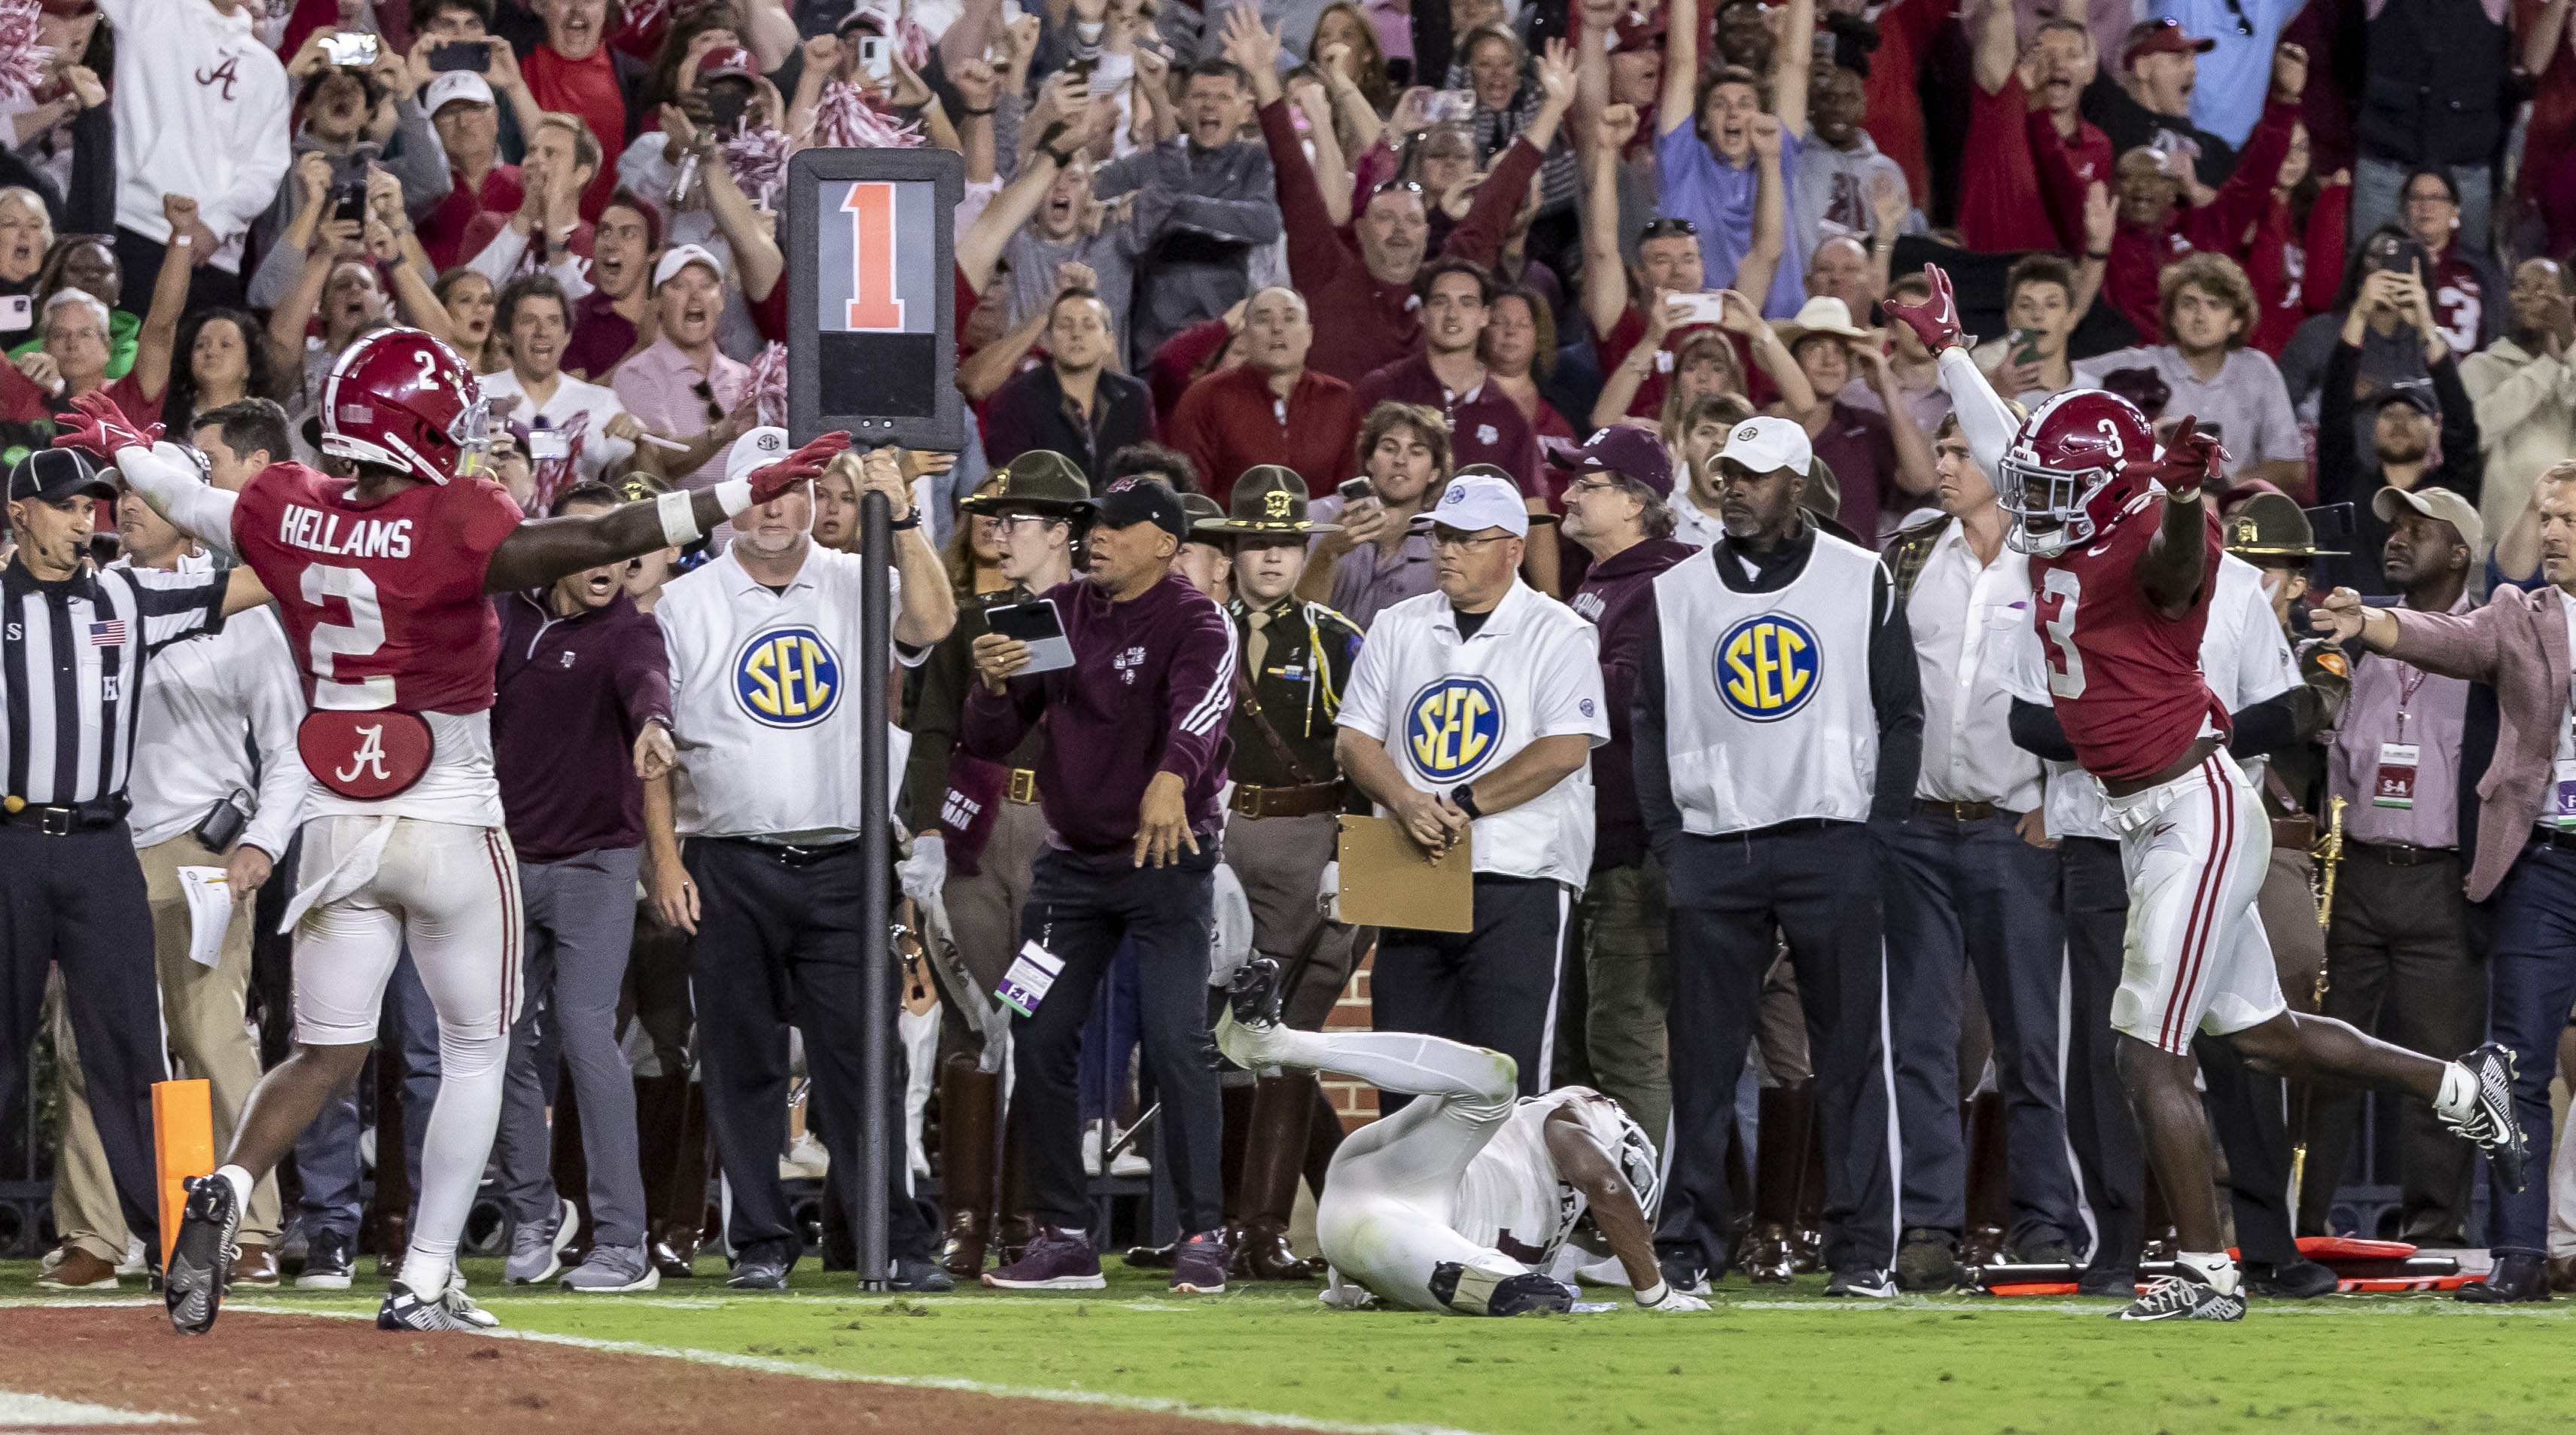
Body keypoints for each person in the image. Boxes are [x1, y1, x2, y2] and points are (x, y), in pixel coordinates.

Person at [109, 328, 860, 1335]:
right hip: (452, 814)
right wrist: (736, 488)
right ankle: (425, 1274)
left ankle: (233, 1185)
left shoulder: (284, 506)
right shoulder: (459, 517)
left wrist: (125, 448)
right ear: (416, 431)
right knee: (476, 1048)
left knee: (323, 1050)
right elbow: (599, 539)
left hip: (339, 821)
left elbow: (186, 498)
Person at [1895, 262, 2523, 1321]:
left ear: (2109, 493)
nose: (2029, 500)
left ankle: (2203, 1272)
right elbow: (2021, 447)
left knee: (2146, 1049)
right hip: (2146, 815)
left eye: (2053, 489)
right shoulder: (2079, 500)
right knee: (2264, 1035)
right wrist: (1952, 349)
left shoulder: (2154, 534)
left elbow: (2177, 565)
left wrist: (2185, 499)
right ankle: (2463, 1087)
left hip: (2191, 806)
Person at [641, 434, 955, 1296]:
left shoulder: (857, 577)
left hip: (844, 858)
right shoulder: (682, 602)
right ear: (729, 499)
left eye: (795, 489)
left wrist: (909, 515)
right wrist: (665, 859)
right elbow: (653, 752)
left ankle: (892, 1236)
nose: (776, 505)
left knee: (863, 1059)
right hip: (728, 859)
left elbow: (931, 623)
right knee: (740, 1059)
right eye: (760, 489)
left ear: (819, 497)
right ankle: (759, 1241)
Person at [1629, 414, 1911, 1299]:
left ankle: (1862, 1249)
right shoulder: (1675, 592)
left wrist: (1876, 838)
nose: (1733, 488)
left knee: (1849, 1055)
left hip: (1831, 842)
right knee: (1702, 1062)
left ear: (1798, 483)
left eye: (1753, 475)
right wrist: (1669, 840)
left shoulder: (1858, 575)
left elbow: (1902, 716)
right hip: (1713, 850)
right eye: (1725, 474)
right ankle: (1687, 1246)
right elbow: (1646, 721)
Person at [0, 444, 271, 1308]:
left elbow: (252, 584)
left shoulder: (126, 593)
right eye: (69, 505)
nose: (88, 519)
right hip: (8, 842)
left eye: (94, 506)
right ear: (21, 513)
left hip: (101, 846)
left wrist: (306, 532)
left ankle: (175, 1242)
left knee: (134, 1048)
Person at [962, 475, 1238, 1295]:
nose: (1097, 537)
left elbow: (1203, 707)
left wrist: (1171, 779)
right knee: (1032, 1028)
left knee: (1176, 1039)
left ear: (1164, 540)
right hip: (1069, 867)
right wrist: (991, 682)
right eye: (1091, 525)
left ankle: (1201, 1229)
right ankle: (1065, 1235)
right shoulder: (1056, 614)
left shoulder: (1198, 618)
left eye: (1117, 526)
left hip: (1165, 860)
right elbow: (992, 737)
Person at [2307, 462, 2576, 1302]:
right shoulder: (2519, 615)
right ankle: (2518, 1256)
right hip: (2542, 861)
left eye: (2567, 518)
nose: (2552, 533)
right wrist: (2375, 623)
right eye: (2545, 518)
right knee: (2514, 1068)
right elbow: (2452, 642)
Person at [1873, 410, 2084, 1288]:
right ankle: (1927, 1223)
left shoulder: (2056, 566)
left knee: (2031, 1039)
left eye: (1961, 452)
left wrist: (2051, 800)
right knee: (1920, 1040)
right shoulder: (1910, 557)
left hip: (2012, 826)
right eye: (1943, 448)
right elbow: (1876, 690)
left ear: (2007, 463)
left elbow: (2082, 689)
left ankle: (2045, 1218)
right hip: (1919, 828)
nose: (1942, 462)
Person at [1213, 955, 1704, 1316]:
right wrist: (1656, 1292)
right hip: (1411, 1175)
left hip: (1388, 1233)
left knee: (1528, 1293)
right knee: (1496, 1083)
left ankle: (1427, 1281)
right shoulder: (1573, 1114)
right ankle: (1277, 1043)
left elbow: (1597, 1231)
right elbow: (1609, 1186)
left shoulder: (1566, 1237)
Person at [1335, 470, 1604, 1100]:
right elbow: (1353, 740)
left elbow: (1564, 749)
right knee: (1402, 1083)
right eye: (1441, 537)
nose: (1447, 551)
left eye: (1467, 539)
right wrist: (1404, 801)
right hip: (1410, 868)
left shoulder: (1559, 630)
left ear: (1513, 548)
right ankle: (1408, 1203)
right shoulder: (1397, 623)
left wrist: (1462, 803)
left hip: (1519, 874)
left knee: (1504, 1088)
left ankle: (1508, 1204)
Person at [896, 451, 1090, 1279]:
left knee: (1037, 1021)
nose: (997, 531)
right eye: (995, 518)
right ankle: (967, 1221)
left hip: (1064, 836)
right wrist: (924, 832)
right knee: (978, 1021)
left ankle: (1027, 1219)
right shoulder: (975, 621)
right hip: (978, 839)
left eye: (1014, 519)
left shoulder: (1105, 623)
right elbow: (934, 726)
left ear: (1061, 531)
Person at [488, 480, 674, 1293]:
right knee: (494, 1040)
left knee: (585, 1033)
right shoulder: (503, 619)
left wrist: (656, 725)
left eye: (622, 549)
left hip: (598, 860)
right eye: (592, 544)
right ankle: (533, 1211)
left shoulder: (630, 630)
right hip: (504, 860)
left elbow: (647, 683)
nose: (609, 563)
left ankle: (623, 1244)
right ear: (556, 547)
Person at [1195, 465, 1367, 1280]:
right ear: (1232, 548)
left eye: (1286, 542)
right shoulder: (1200, 629)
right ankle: (1227, 1223)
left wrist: (1350, 854)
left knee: (1287, 1035)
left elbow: (1365, 753)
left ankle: (1263, 1228)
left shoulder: (1337, 638)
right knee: (1221, 1034)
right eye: (1257, 541)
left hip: (1306, 833)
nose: (1271, 557)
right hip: (1221, 832)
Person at [2304, 485, 2486, 1246]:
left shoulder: (2492, 640)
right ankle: (2297, 1224)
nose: (2398, 538)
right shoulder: (2356, 642)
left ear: (2459, 550)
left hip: (2445, 880)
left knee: (2439, 1068)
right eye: (2392, 528)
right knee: (2322, 1057)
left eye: (2419, 528)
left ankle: (2433, 1234)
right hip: (2355, 873)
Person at [1235, 8, 1567, 384]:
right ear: (1360, 231)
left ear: (1427, 234)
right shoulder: (1325, 270)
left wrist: (1554, 106)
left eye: (1411, 220)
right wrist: (1264, 77)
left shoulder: (1448, 286)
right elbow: (1294, 179)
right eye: (1386, 218)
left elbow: (1497, 201)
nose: (1399, 230)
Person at [1554, 427, 1694, 1153]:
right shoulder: (1608, 580)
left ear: (1638, 503)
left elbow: (1623, 699)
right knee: (1582, 1048)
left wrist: (1537, 669)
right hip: (1597, 843)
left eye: (1588, 483)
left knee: (1623, 1043)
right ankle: (1594, 1220)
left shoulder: (1662, 582)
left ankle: (1640, 1223)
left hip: (1636, 845)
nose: (1568, 494)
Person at [1092, 55, 1281, 371]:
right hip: (1154, 343)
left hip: (1224, 345)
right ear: (1183, 107)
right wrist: (1113, 212)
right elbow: (1089, 192)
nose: (1210, 106)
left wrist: (1173, 206)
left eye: (1223, 97)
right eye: (1199, 96)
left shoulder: (1256, 161)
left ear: (1245, 110)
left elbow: (1266, 223)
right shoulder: (1153, 163)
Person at [105, 0, 291, 314]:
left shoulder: (268, 69)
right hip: (135, 228)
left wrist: (216, 226)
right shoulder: (149, 11)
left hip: (213, 256)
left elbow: (266, 168)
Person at [2075, 253, 2307, 491]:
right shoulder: (2140, 364)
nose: (2200, 317)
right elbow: (2065, 377)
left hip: (2233, 513)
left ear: (2236, 321)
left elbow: (2291, 467)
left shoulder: (2258, 370)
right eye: (2189, 304)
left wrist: (2230, 487)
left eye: (2214, 305)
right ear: (2173, 317)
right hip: (2157, 511)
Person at [2316, 264, 2481, 593]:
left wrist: (2426, 327)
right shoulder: (2345, 485)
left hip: (2429, 638)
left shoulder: (2450, 498)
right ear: (2372, 427)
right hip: (2350, 638)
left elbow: (2462, 426)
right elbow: (2334, 407)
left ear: (2436, 427)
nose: (2399, 421)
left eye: (2413, 413)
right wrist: (2360, 314)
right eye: (2388, 413)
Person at [1655, 0, 1810, 316]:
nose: (1733, 112)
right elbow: (1681, 62)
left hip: (1777, 329)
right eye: (1719, 104)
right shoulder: (1683, 161)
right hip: (1698, 325)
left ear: (1762, 116)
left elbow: (1797, 63)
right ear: (1702, 121)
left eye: (1745, 103)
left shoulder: (1777, 151)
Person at [1165, 286, 1365, 508]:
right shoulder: (1205, 398)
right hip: (1231, 540)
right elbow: (1193, 499)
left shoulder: (1340, 400)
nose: (1277, 329)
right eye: (1263, 319)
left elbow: (1350, 491)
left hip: (1322, 539)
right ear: (1246, 337)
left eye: (1289, 318)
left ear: (1309, 335)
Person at [478, 273, 644, 492]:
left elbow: (633, 488)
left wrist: (640, 444)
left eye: (553, 321)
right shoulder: (479, 394)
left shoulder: (601, 402)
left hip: (576, 525)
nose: (542, 332)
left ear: (567, 335)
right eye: (529, 320)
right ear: (506, 334)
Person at [980, 288, 1156, 483]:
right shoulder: (1015, 398)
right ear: (1047, 341)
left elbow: (1148, 474)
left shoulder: (1135, 397)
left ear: (1108, 342)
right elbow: (1010, 482)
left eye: (1089, 326)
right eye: (1065, 325)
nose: (1076, 334)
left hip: (1119, 512)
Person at [1300, 400, 1448, 627]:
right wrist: (1328, 552)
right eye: (1389, 449)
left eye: (1416, 452)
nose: (1400, 460)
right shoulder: (1316, 518)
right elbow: (1295, 618)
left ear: (1434, 473)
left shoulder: (1442, 543)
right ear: (1369, 461)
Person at [2460, 258, 2576, 546]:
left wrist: (2570, 346)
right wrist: (2547, 364)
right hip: (2504, 543)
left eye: (2542, 289)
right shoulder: (2480, 366)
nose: (2527, 296)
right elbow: (2478, 430)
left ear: (2567, 303)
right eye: (2520, 287)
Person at [2084, 20, 2236, 188]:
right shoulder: (2113, 112)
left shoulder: (2214, 147)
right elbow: (2079, 46)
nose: (2194, 69)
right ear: (2142, 68)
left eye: (2192, 59)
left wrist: (2195, 191)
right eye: (2179, 59)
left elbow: (2238, 200)